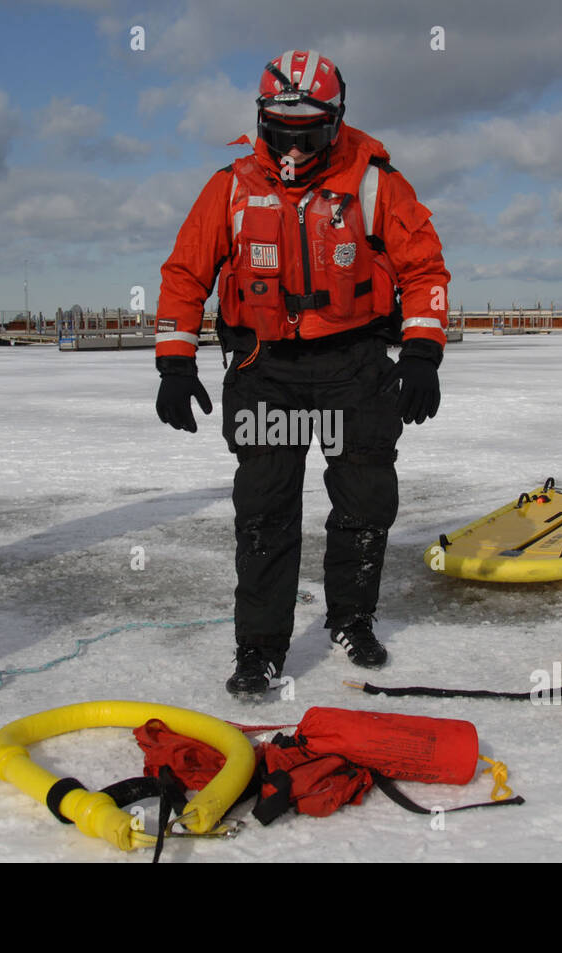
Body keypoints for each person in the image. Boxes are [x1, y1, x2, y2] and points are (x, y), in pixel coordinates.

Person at [154, 50, 450, 697]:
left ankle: (351, 617)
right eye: (280, 133)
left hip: (354, 367)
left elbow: (424, 269)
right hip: (266, 369)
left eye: (307, 134)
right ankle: (259, 647)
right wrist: (174, 361)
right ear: (262, 123)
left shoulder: (375, 182)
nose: (292, 147)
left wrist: (423, 351)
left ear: (335, 122)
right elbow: (185, 272)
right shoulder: (230, 186)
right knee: (265, 510)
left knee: (366, 503)